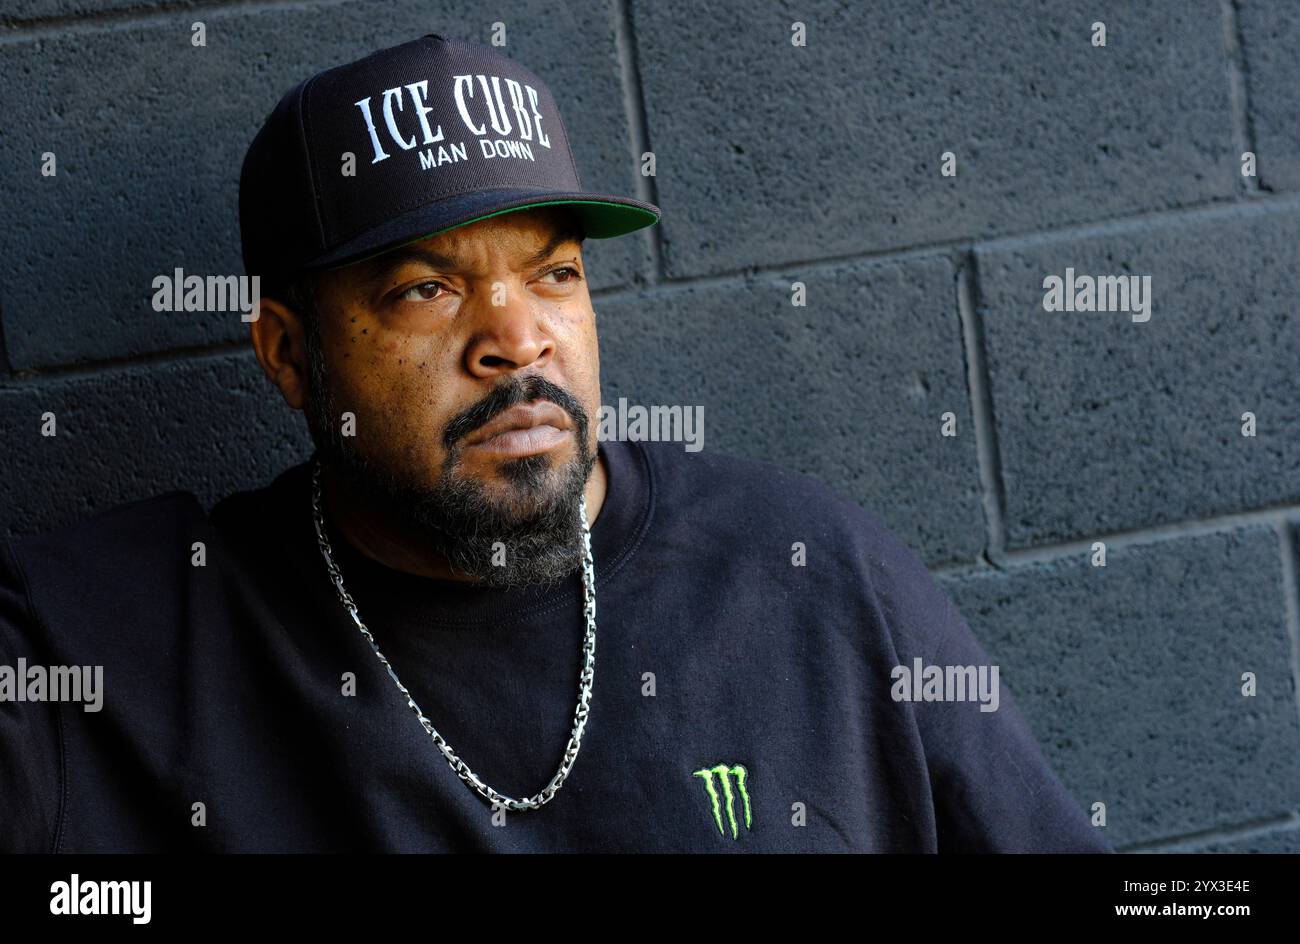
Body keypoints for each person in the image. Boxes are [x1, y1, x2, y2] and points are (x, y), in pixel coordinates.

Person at [0, 34, 1111, 853]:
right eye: (427, 288)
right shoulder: (112, 644)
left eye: (555, 274)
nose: (516, 337)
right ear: (289, 355)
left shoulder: (810, 573)